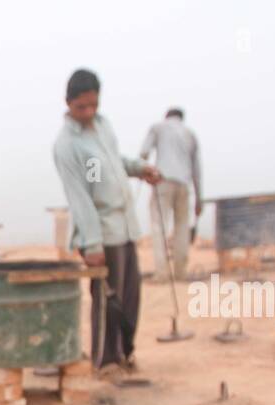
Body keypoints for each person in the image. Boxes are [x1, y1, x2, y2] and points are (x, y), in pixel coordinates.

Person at [52, 69, 161, 379]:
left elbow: (114, 163)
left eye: (92, 106)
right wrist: (92, 243)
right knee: (106, 300)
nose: (88, 113)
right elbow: (82, 198)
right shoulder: (67, 145)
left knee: (130, 296)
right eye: (81, 107)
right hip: (102, 233)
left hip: (124, 225)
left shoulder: (102, 127)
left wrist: (140, 169)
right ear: (68, 103)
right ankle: (105, 361)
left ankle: (126, 352)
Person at [140, 108, 203, 280]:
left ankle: (162, 273)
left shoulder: (158, 127)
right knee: (182, 227)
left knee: (159, 226)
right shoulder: (190, 133)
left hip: (163, 180)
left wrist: (141, 170)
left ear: (167, 116)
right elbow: (196, 169)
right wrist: (199, 198)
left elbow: (144, 153)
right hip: (184, 183)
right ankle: (181, 272)